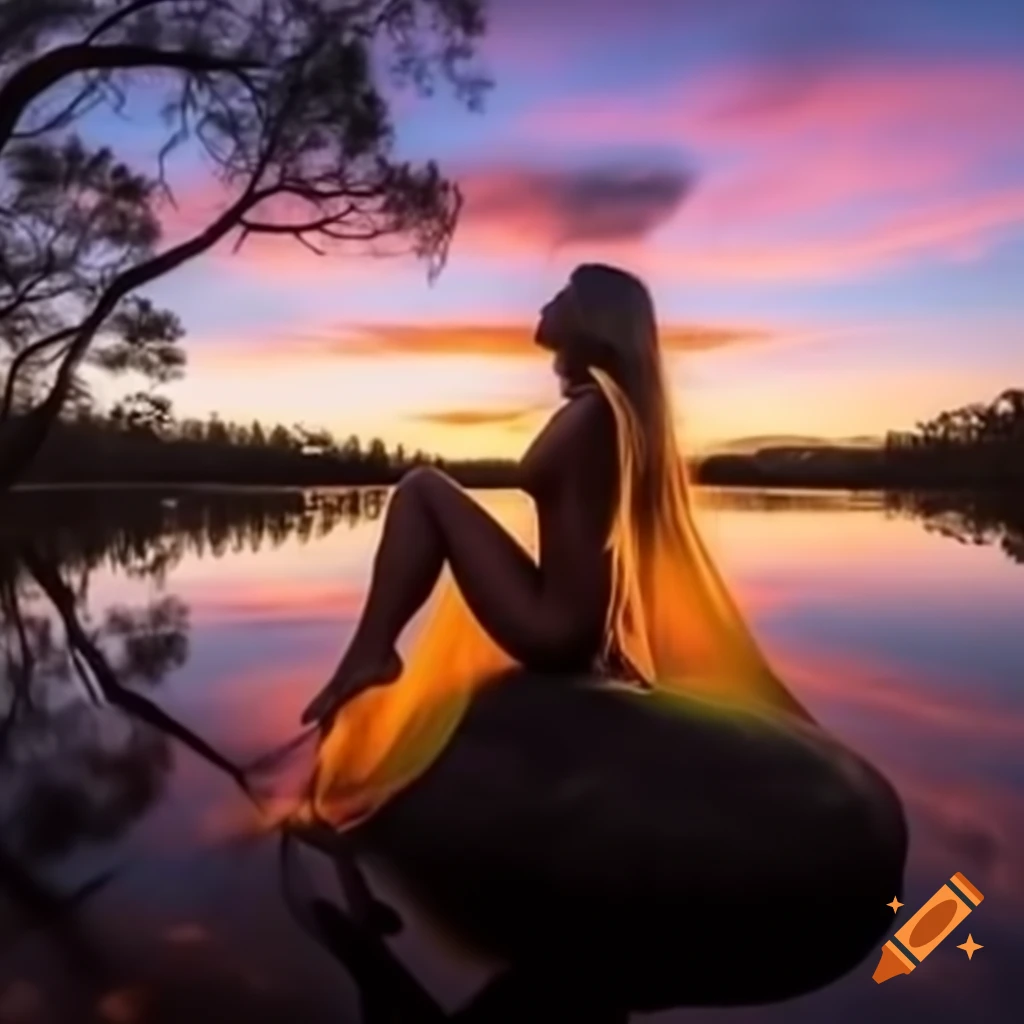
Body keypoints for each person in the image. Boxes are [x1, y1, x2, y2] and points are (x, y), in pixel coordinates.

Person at [298, 263, 812, 830]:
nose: (544, 304)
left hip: (554, 628)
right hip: (566, 618)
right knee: (424, 490)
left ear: (592, 319)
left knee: (422, 489)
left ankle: (370, 654)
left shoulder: (599, 413)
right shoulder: (607, 410)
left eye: (562, 295)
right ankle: (370, 654)